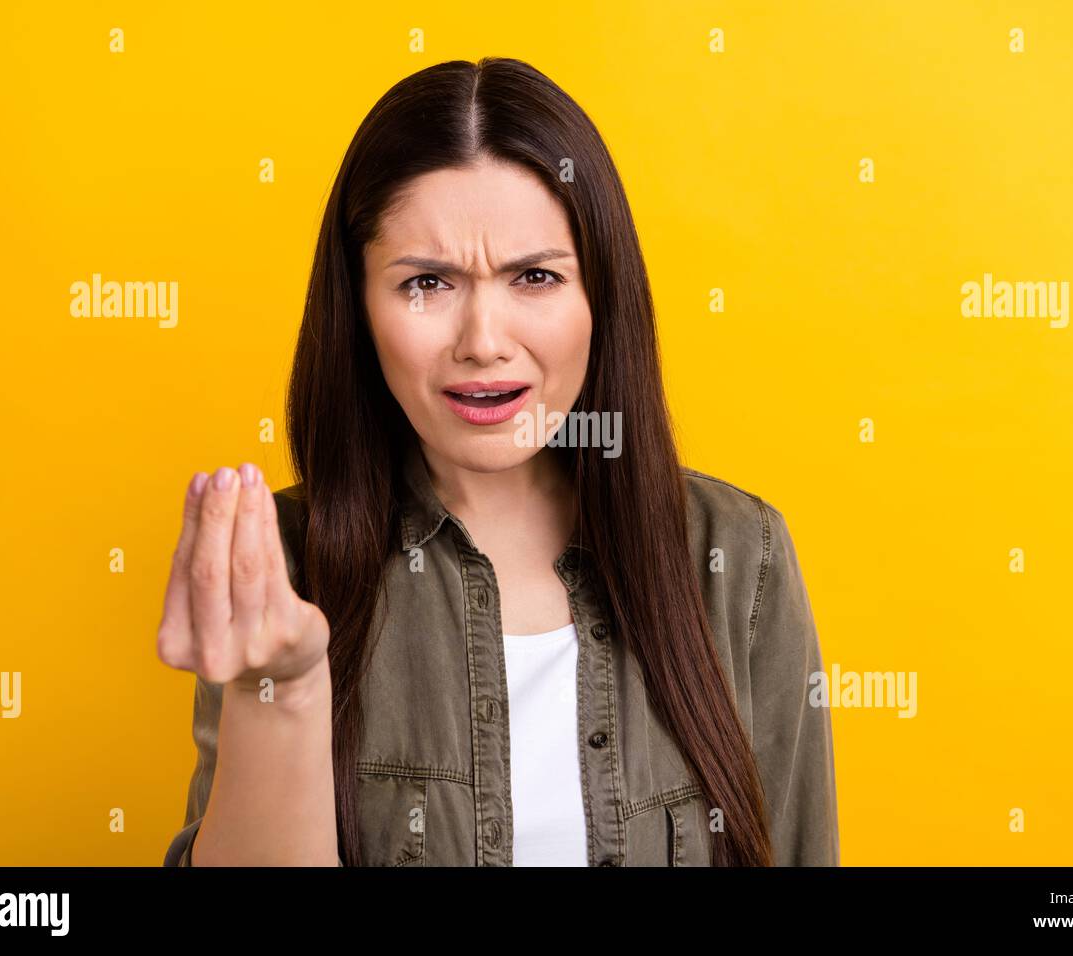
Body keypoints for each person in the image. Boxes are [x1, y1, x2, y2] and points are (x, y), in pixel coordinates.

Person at [158, 56, 839, 867]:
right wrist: (282, 694)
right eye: (427, 283)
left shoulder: (739, 557)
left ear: (602, 300)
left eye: (537, 276)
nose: (483, 341)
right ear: (359, 307)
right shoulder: (282, 566)